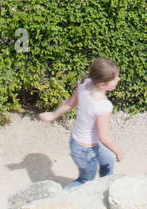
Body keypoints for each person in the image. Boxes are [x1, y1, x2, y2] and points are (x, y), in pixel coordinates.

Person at [38, 58, 124, 189]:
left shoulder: (86, 84)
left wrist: (52, 115)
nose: (118, 79)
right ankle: (62, 197)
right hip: (86, 150)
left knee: (108, 160)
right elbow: (104, 137)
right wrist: (119, 151)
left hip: (79, 143)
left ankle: (105, 186)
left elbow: (70, 103)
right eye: (115, 78)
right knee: (85, 180)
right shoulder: (103, 106)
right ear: (102, 84)